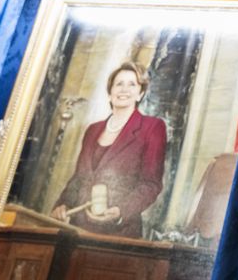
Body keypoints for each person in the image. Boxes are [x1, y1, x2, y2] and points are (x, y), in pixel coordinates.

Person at [51, 62, 167, 238]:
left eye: (132, 85)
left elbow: (151, 184)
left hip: (118, 233)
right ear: (110, 92)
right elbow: (79, 178)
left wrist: (121, 211)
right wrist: (63, 205)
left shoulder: (152, 127)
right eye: (119, 84)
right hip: (77, 230)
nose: (124, 89)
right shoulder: (92, 130)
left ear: (140, 93)